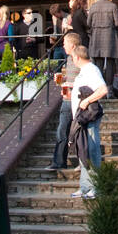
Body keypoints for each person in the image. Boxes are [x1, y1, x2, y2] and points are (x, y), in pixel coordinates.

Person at [67, 43, 109, 198]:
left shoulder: (91, 70)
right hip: (82, 118)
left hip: (88, 117)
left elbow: (103, 89)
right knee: (84, 151)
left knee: (91, 149)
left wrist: (86, 102)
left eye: (72, 57)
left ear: (77, 57)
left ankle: (96, 186)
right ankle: (85, 186)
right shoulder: (85, 72)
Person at [48, 31, 83, 169]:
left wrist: (71, 85)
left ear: (73, 45)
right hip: (67, 100)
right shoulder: (68, 59)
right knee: (62, 131)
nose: (63, 46)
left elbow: (85, 80)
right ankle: (58, 162)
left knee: (79, 132)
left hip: (78, 101)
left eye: (65, 43)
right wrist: (62, 80)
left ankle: (83, 162)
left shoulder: (82, 59)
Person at [87, 0, 118, 92]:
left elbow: (88, 23)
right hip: (109, 36)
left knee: (98, 62)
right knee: (110, 62)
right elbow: (117, 23)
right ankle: (109, 89)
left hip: (96, 36)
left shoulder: (93, 6)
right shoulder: (113, 6)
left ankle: (99, 88)